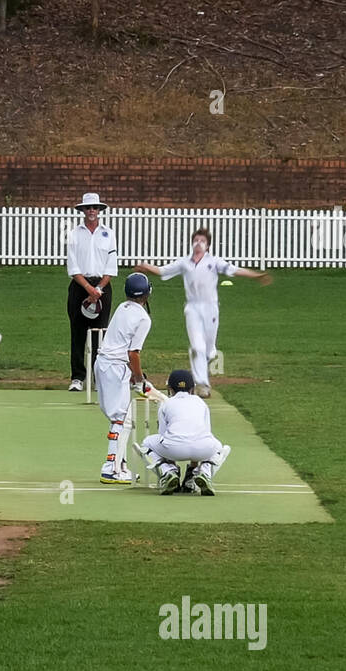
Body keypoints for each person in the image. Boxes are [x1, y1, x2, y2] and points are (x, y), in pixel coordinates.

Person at [131, 227, 271, 397]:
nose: (198, 244)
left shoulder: (214, 261)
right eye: (196, 241)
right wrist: (145, 267)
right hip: (192, 308)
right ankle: (202, 384)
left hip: (211, 308)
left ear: (208, 246)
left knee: (209, 351)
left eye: (202, 241)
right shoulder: (185, 262)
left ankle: (205, 363)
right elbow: (163, 271)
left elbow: (235, 270)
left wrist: (256, 276)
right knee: (197, 347)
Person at [95, 273, 154, 484]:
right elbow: (133, 353)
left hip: (102, 363)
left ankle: (119, 464)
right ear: (147, 293)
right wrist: (139, 380)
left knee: (118, 418)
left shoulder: (122, 307)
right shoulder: (143, 318)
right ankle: (111, 468)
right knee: (120, 419)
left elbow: (122, 347)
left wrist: (135, 377)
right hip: (115, 366)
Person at [138, 369, 231, 495]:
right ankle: (203, 472)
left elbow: (164, 436)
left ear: (170, 388)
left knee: (147, 443)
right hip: (203, 449)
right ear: (192, 388)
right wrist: (193, 467)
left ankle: (168, 472)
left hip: (174, 449)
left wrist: (172, 465)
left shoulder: (166, 404)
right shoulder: (201, 403)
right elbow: (205, 433)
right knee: (219, 447)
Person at [65, 192, 117, 391]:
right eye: (88, 208)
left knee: (100, 335)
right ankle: (77, 378)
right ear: (83, 211)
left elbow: (111, 267)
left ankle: (98, 378)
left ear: (99, 210)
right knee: (78, 333)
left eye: (95, 208)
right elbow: (73, 267)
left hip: (102, 287)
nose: (92, 211)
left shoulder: (108, 233)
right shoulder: (74, 234)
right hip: (80, 286)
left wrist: (98, 289)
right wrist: (88, 288)